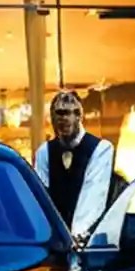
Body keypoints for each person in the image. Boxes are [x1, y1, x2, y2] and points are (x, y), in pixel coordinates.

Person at [33, 89, 116, 244]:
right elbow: (41, 197)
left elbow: (93, 195)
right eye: (60, 113)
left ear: (79, 115)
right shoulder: (45, 151)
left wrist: (77, 236)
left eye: (69, 113)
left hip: (89, 240)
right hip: (55, 240)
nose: (64, 119)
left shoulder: (100, 149)